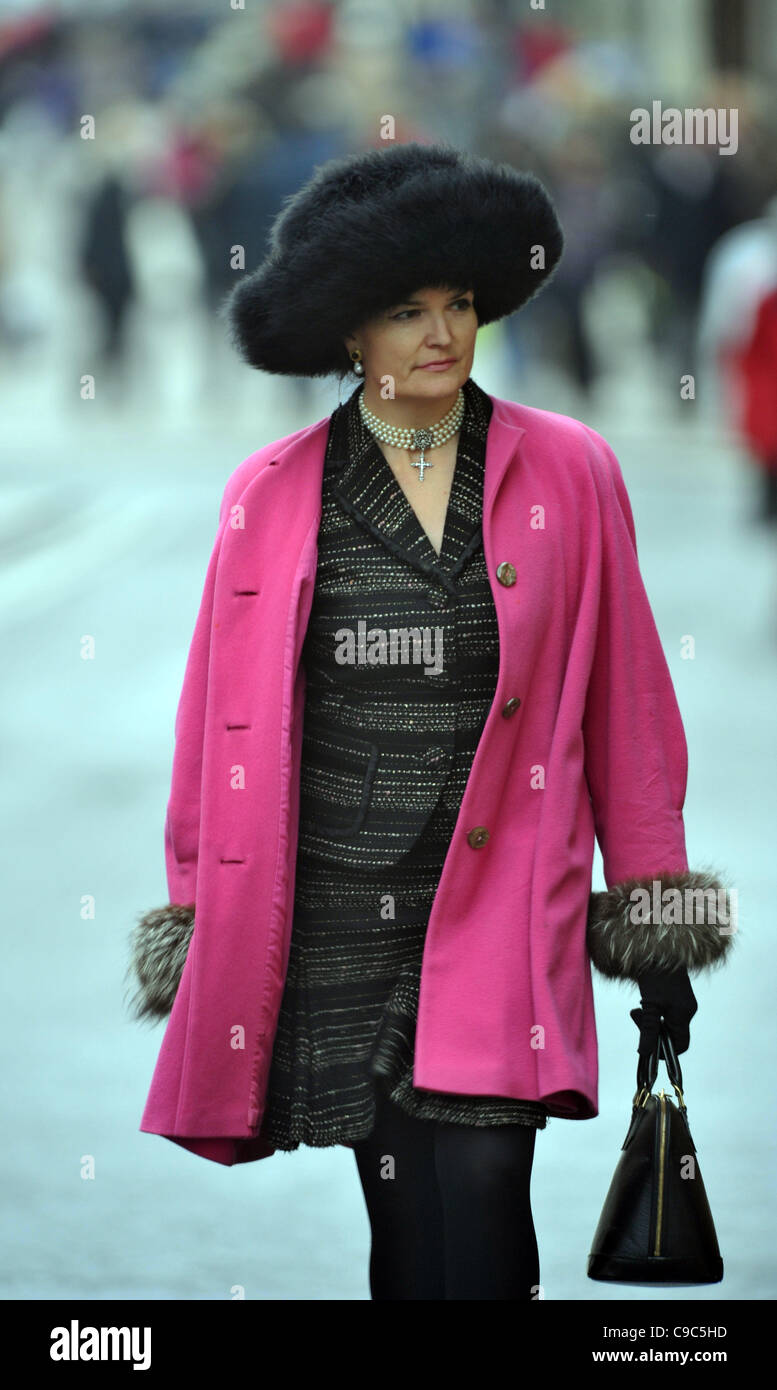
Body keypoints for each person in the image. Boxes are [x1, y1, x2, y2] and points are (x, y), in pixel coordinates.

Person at [128, 142, 733, 1301]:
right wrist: (198, 906)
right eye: (407, 311)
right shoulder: (270, 491)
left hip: (509, 886)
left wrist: (654, 914)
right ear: (348, 334)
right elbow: (217, 727)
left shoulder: (572, 469)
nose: (443, 333)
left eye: (459, 303)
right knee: (405, 1208)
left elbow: (630, 706)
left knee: (491, 1178)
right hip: (340, 899)